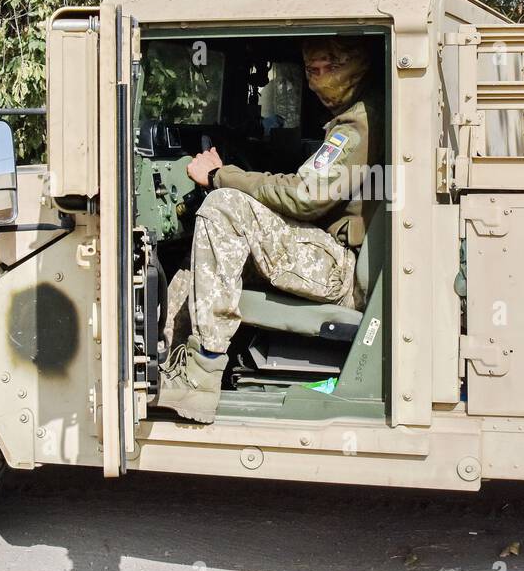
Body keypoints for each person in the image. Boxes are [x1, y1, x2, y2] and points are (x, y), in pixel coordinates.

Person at [154, 36, 383, 423]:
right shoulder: (358, 115)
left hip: (340, 269)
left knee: (224, 207)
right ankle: (167, 366)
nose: (321, 79)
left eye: (331, 67)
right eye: (312, 70)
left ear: (356, 64)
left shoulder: (357, 122)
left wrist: (221, 176)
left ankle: (204, 369)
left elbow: (306, 196)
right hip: (333, 255)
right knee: (200, 264)